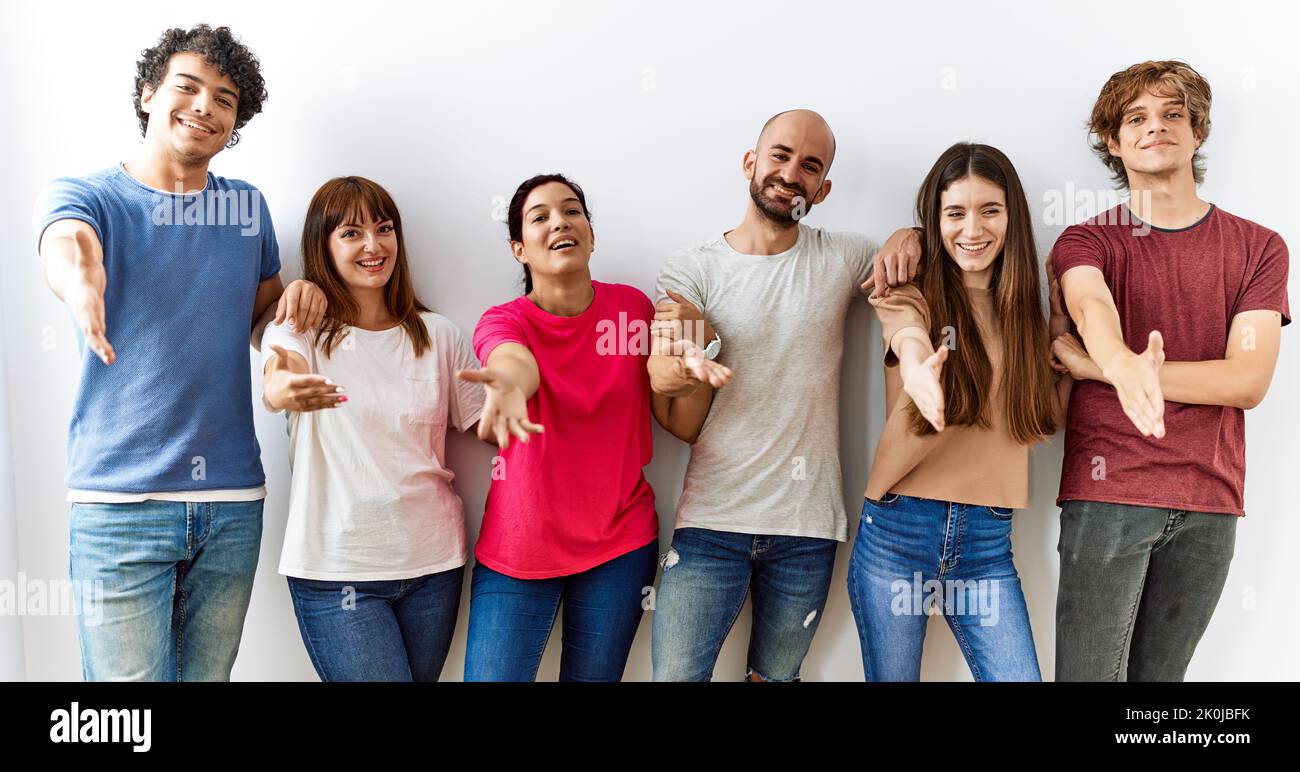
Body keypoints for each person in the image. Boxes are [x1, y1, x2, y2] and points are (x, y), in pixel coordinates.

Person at [32, 24, 326, 681]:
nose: (204, 106)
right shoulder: (90, 196)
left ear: (236, 123)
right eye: (187, 87)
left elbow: (262, 315)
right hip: (118, 509)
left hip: (231, 506)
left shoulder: (246, 209)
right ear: (147, 94)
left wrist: (295, 305)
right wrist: (81, 283)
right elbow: (68, 243)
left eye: (224, 99)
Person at [647, 109, 922, 682]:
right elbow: (668, 381)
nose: (791, 172)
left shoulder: (843, 256)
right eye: (780, 154)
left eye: (810, 165)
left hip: (808, 529)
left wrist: (909, 234)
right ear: (751, 161)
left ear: (822, 188)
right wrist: (679, 367)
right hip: (711, 523)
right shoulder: (693, 267)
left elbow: (908, 266)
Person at [1049, 60, 1289, 681]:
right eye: (1136, 118)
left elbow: (1247, 382)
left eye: (1172, 114)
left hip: (1210, 498)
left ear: (1197, 131)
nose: (1156, 127)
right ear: (1114, 141)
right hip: (1109, 493)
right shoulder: (1087, 240)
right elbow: (1090, 303)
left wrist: (1107, 372)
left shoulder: (1260, 247)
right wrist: (1118, 357)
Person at [459, 173, 729, 681]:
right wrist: (510, 387)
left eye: (572, 211)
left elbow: (679, 425)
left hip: (619, 549)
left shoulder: (631, 311)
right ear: (519, 248)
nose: (559, 221)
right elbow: (514, 361)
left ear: (591, 233)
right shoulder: (505, 321)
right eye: (540, 217)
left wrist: (700, 363)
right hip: (519, 552)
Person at [848, 142, 1074, 681]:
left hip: (987, 543)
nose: (972, 229)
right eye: (954, 213)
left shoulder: (1021, 313)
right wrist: (919, 366)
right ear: (935, 219)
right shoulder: (910, 289)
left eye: (989, 210)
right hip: (898, 531)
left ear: (1011, 217)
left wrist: (1062, 334)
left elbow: (1042, 420)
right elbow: (906, 335)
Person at [261, 176, 484, 681]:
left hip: (434, 566)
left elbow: (487, 424)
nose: (373, 245)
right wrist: (284, 392)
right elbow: (278, 378)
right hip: (337, 569)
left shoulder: (440, 335)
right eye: (352, 232)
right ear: (323, 245)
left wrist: (522, 389)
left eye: (384, 229)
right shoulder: (301, 328)